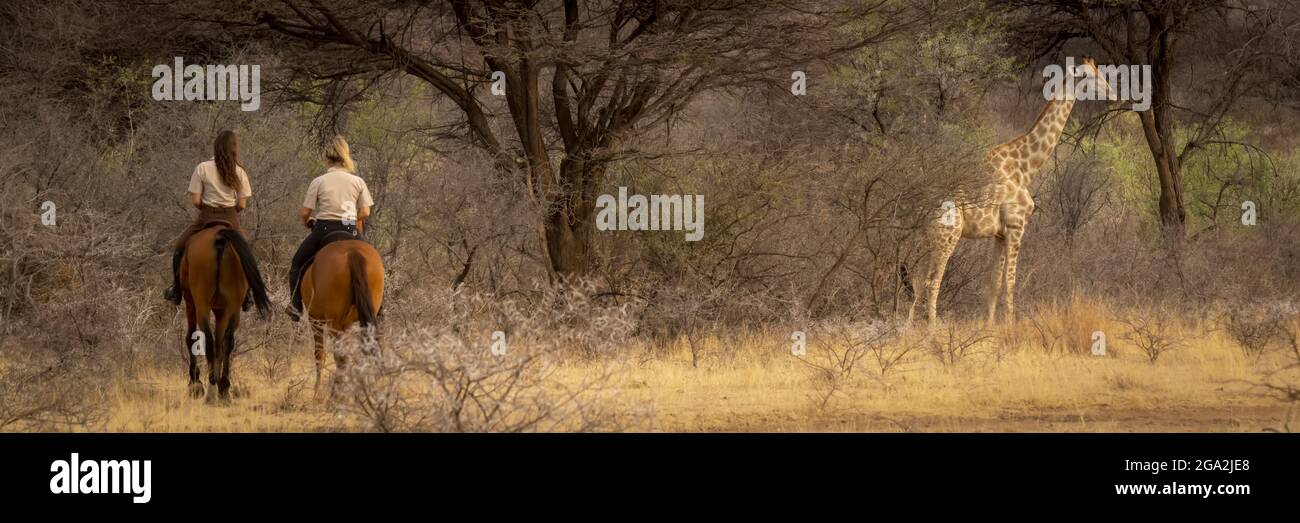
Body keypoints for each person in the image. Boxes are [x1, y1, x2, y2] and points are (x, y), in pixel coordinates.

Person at [287, 135, 374, 320]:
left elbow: (305, 211)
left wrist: (307, 221)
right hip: (350, 227)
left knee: (296, 264)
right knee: (373, 262)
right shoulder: (357, 181)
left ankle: (295, 308)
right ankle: (378, 307)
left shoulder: (319, 181)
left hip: (324, 228)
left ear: (327, 158)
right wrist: (350, 219)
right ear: (346, 157)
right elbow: (365, 212)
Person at [164, 130, 253, 306]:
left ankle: (176, 290)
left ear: (216, 146)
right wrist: (229, 210)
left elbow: (196, 200)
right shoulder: (240, 171)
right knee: (247, 252)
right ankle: (247, 295)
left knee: (180, 247)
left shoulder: (202, 168)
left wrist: (207, 209)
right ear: (234, 148)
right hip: (231, 217)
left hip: (206, 216)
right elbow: (242, 205)